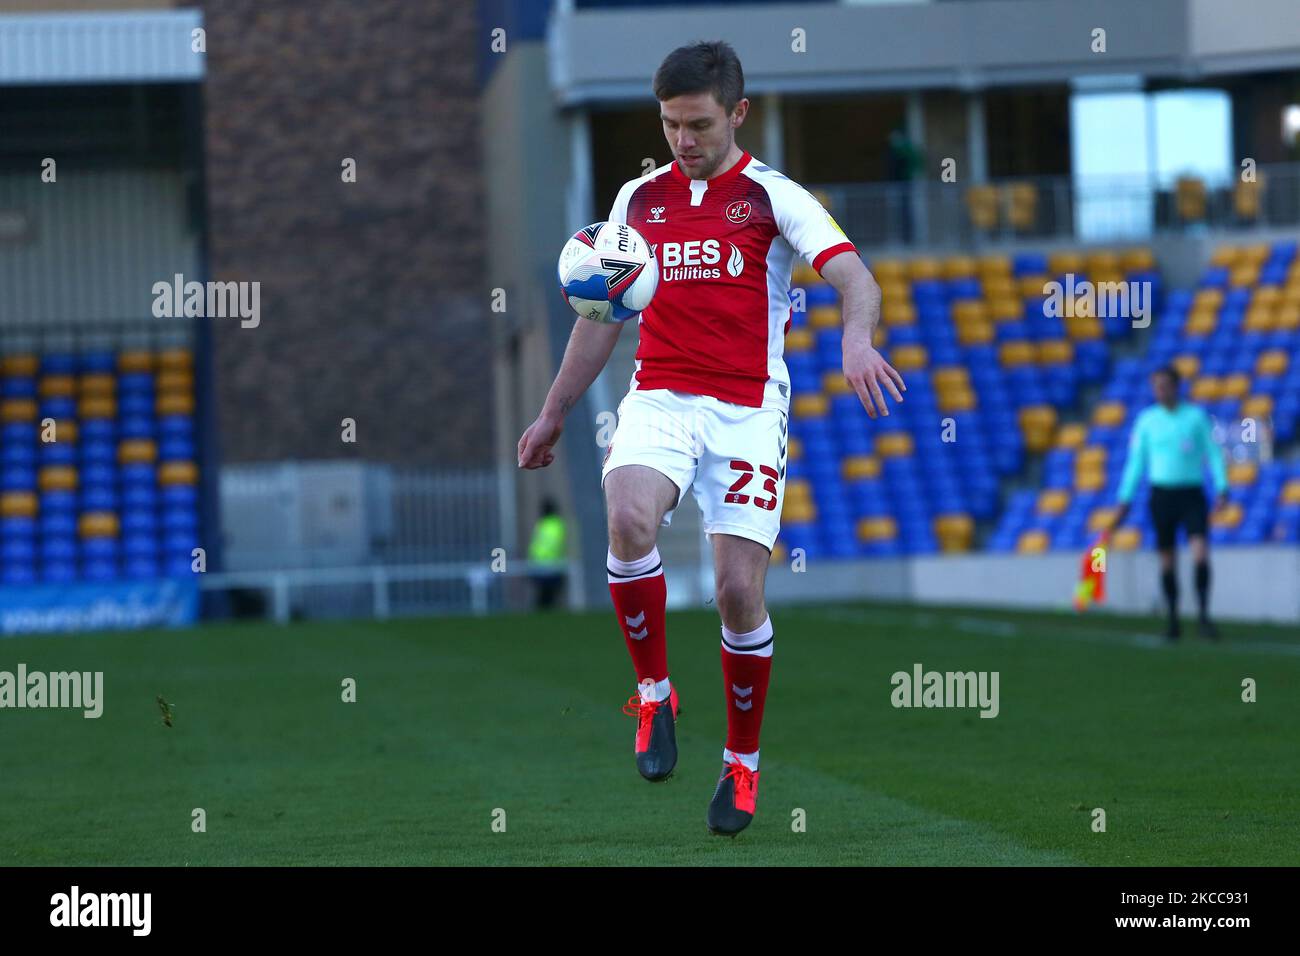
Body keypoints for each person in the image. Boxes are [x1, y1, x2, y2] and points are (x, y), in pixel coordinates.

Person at [517, 40, 904, 835]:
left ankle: (742, 765)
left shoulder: (772, 197)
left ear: (738, 113)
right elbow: (601, 320)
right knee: (626, 520)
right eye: (669, 125)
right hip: (658, 394)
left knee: (736, 592)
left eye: (697, 124)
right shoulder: (638, 202)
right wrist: (554, 409)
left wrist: (856, 340)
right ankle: (655, 695)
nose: (682, 141)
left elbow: (855, 277)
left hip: (748, 410)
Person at [1110, 365, 1228, 640]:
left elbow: (1214, 454)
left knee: (1200, 552)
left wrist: (1222, 488)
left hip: (1191, 494)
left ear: (1176, 387)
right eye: (1156, 386)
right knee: (1167, 559)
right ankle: (1173, 620)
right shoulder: (1147, 420)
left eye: (1164, 385)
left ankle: (1203, 616)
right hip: (1161, 496)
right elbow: (1136, 463)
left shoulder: (1196, 417)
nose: (1160, 391)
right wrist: (1124, 499)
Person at [526, 497, 567, 611]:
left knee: (544, 596)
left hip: (542, 564)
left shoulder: (543, 524)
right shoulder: (557, 524)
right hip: (551, 564)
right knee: (548, 596)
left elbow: (537, 545)